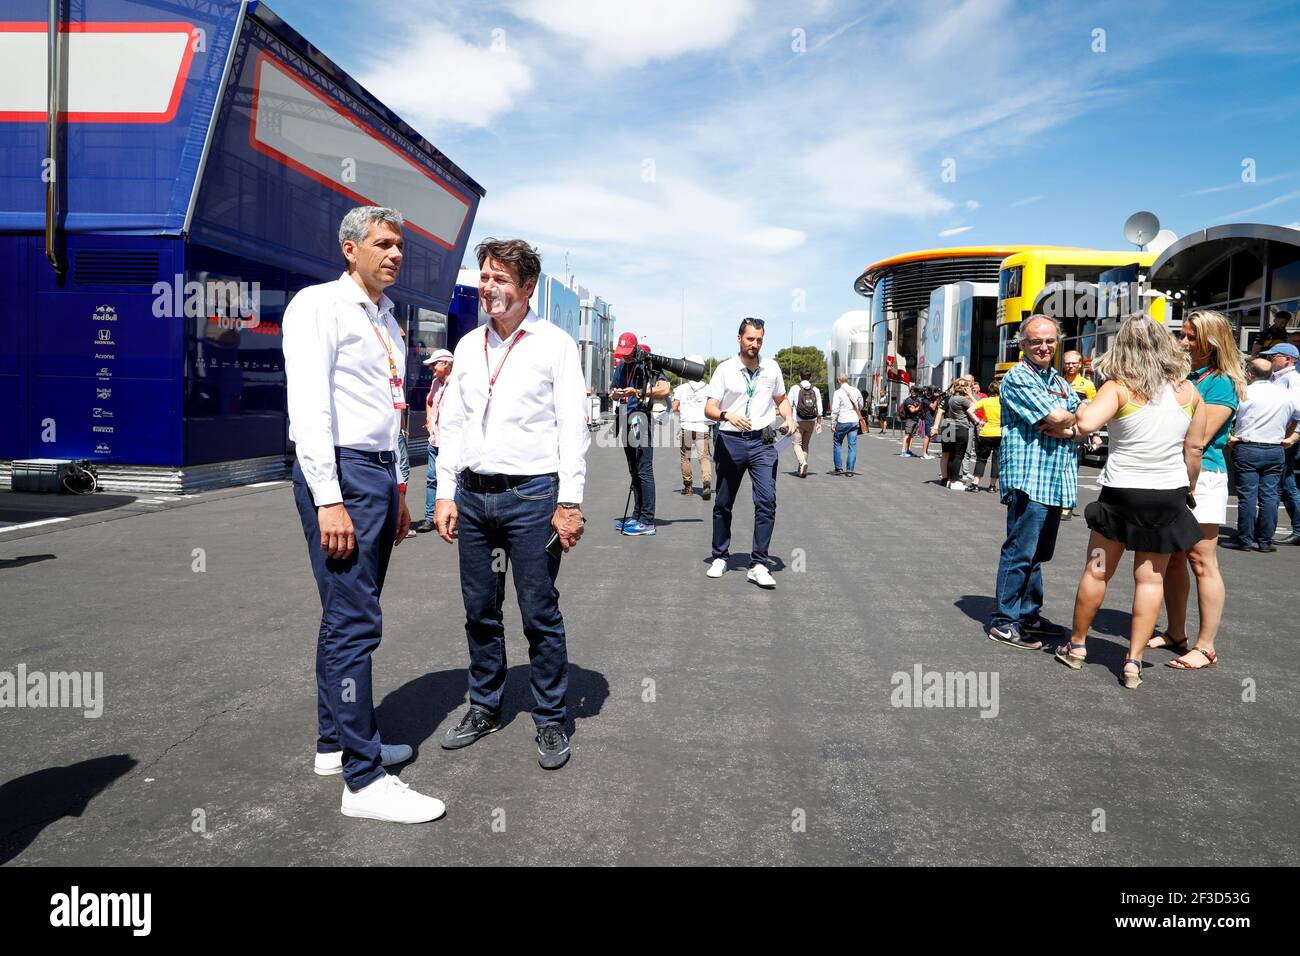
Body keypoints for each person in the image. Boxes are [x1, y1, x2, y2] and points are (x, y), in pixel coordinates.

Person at [283, 205, 442, 824]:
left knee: (344, 612)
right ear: (350, 249)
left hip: (377, 471)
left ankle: (335, 744)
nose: (395, 254)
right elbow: (311, 408)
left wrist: (400, 486)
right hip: (342, 472)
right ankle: (364, 779)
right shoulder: (318, 306)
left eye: (400, 244)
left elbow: (391, 408)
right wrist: (329, 497)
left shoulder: (386, 317)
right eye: (383, 244)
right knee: (355, 621)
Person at [434, 237, 589, 770]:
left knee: (538, 611)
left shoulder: (555, 345)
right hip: (475, 499)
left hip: (532, 498)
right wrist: (445, 492)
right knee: (480, 610)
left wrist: (569, 501)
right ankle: (484, 706)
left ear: (527, 288)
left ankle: (550, 718)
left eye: (501, 279)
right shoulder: (468, 346)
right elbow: (452, 424)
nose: (489, 287)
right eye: (485, 276)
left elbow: (573, 427)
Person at [1053, 318, 1207, 688]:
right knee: (1149, 580)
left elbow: (1086, 422)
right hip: (1166, 496)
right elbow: (1195, 448)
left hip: (1121, 496)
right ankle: (1133, 662)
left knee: (1097, 569)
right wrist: (1190, 488)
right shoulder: (1190, 392)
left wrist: (1074, 413)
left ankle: (1076, 646)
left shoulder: (1119, 388)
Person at [1145, 309, 1246, 670]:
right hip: (1175, 474)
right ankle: (1176, 632)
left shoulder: (1220, 382)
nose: (1184, 342)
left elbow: (1199, 439)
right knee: (1173, 557)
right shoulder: (1187, 375)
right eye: (1183, 335)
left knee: (1202, 561)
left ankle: (1205, 646)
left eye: (1192, 337)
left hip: (1204, 477)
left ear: (1213, 341)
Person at [986, 315, 1082, 650]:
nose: (1044, 347)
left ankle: (1027, 614)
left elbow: (1078, 415)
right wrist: (1069, 420)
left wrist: (1069, 424)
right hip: (1029, 477)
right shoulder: (1019, 376)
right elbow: (1059, 416)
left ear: (1058, 342)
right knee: (1020, 550)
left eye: (1050, 340)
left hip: (1054, 478)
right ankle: (1004, 621)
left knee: (1038, 553)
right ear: (1023, 344)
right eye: (1036, 341)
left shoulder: (1055, 378)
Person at [704, 317, 796, 588]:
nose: (754, 344)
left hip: (763, 444)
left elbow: (782, 400)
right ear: (739, 338)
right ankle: (720, 556)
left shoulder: (772, 368)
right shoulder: (724, 370)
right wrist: (726, 415)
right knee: (724, 502)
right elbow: (709, 408)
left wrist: (788, 417)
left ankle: (758, 563)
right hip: (730, 441)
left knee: (766, 501)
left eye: (759, 340)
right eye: (750, 339)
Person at [1224, 359, 1300, 551]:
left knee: (1247, 495)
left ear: (1250, 374)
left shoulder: (1244, 393)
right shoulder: (1285, 394)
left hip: (1248, 447)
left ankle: (1245, 539)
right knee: (1270, 496)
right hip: (1275, 448)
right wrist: (1291, 437)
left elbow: (1227, 418)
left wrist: (1230, 438)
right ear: (1271, 373)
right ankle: (1265, 541)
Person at [609, 332, 670, 536]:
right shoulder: (621, 365)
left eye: (627, 353)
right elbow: (613, 388)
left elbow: (664, 389)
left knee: (644, 469)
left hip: (640, 417)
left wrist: (638, 392)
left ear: (635, 349)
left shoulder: (648, 364)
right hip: (624, 416)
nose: (625, 356)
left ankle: (647, 520)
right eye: (622, 353)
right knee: (633, 469)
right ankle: (636, 516)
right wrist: (615, 393)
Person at [1261, 342, 1300, 543]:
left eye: (1273, 356)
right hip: (1281, 437)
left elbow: (1299, 411)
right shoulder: (1280, 378)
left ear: (1287, 359)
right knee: (1284, 481)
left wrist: (1293, 437)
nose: (1270, 359)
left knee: (1285, 482)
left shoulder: (1292, 379)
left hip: (1285, 439)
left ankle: (1298, 529)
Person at [415, 348, 453, 533]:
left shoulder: (459, 383)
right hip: (435, 439)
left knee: (456, 481)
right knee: (432, 479)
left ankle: (453, 518)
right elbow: (429, 401)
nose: (431, 369)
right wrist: (429, 421)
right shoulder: (436, 383)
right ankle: (430, 519)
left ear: (445, 363)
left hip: (453, 442)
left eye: (434, 365)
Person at [1059, 351, 1097, 520]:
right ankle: (1060, 502)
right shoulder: (1058, 382)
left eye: (1074, 363)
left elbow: (1095, 410)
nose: (1071, 366)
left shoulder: (1087, 385)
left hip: (1077, 431)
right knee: (1060, 467)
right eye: (1068, 363)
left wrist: (1094, 433)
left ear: (1080, 365)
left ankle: (1067, 505)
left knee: (1071, 468)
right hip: (1059, 430)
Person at [672, 355, 713, 497]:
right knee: (704, 457)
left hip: (687, 426)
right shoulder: (709, 388)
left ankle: (688, 487)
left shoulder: (682, 388)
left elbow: (674, 406)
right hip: (702, 427)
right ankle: (706, 482)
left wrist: (682, 412)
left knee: (686, 457)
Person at [931, 379, 976, 489]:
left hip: (947, 426)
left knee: (946, 454)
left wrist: (936, 427)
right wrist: (970, 396)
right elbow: (977, 407)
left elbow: (939, 413)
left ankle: (945, 478)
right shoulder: (964, 400)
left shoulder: (947, 399)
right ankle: (953, 479)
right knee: (957, 455)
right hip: (960, 427)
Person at [789, 370, 823, 478]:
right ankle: (801, 468)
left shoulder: (795, 388)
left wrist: (788, 419)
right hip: (811, 421)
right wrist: (819, 422)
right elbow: (820, 407)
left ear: (800, 377)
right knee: (805, 445)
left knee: (796, 444)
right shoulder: (815, 389)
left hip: (798, 420)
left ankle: (802, 463)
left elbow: (789, 403)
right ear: (810, 377)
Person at [829, 373, 864, 476]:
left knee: (837, 442)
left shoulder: (838, 392)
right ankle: (850, 470)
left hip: (843, 421)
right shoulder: (856, 390)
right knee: (852, 445)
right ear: (847, 380)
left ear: (839, 381)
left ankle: (839, 468)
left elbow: (835, 409)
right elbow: (860, 404)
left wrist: (833, 423)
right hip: (854, 421)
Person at [970, 380, 1001, 493]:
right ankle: (992, 486)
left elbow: (970, 410)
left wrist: (979, 422)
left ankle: (975, 484)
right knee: (996, 460)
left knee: (981, 458)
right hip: (999, 433)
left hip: (986, 433)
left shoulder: (985, 401)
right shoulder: (1004, 402)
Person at [900, 387, 924, 458]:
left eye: (915, 391)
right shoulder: (908, 400)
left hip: (916, 419)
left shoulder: (918, 400)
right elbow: (912, 410)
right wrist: (919, 407)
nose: (913, 393)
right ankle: (903, 451)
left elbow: (917, 409)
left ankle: (908, 450)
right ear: (910, 392)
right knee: (907, 435)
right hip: (909, 419)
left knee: (911, 436)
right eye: (912, 391)